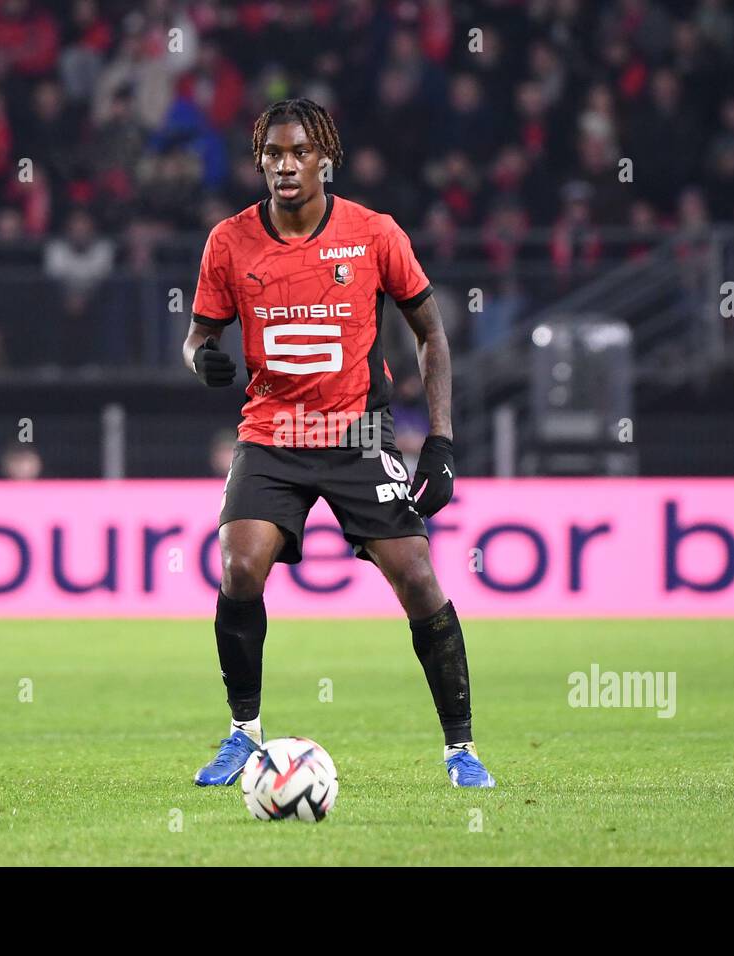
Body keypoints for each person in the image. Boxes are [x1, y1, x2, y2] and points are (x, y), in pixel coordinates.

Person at [181, 98, 495, 789]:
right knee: (239, 567)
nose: (285, 166)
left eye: (298, 153)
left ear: (325, 158)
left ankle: (461, 750)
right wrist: (201, 358)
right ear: (260, 162)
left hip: (359, 430)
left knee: (415, 574)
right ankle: (243, 735)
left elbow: (431, 334)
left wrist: (440, 443)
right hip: (272, 431)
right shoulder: (229, 242)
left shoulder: (374, 233)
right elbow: (198, 335)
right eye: (273, 155)